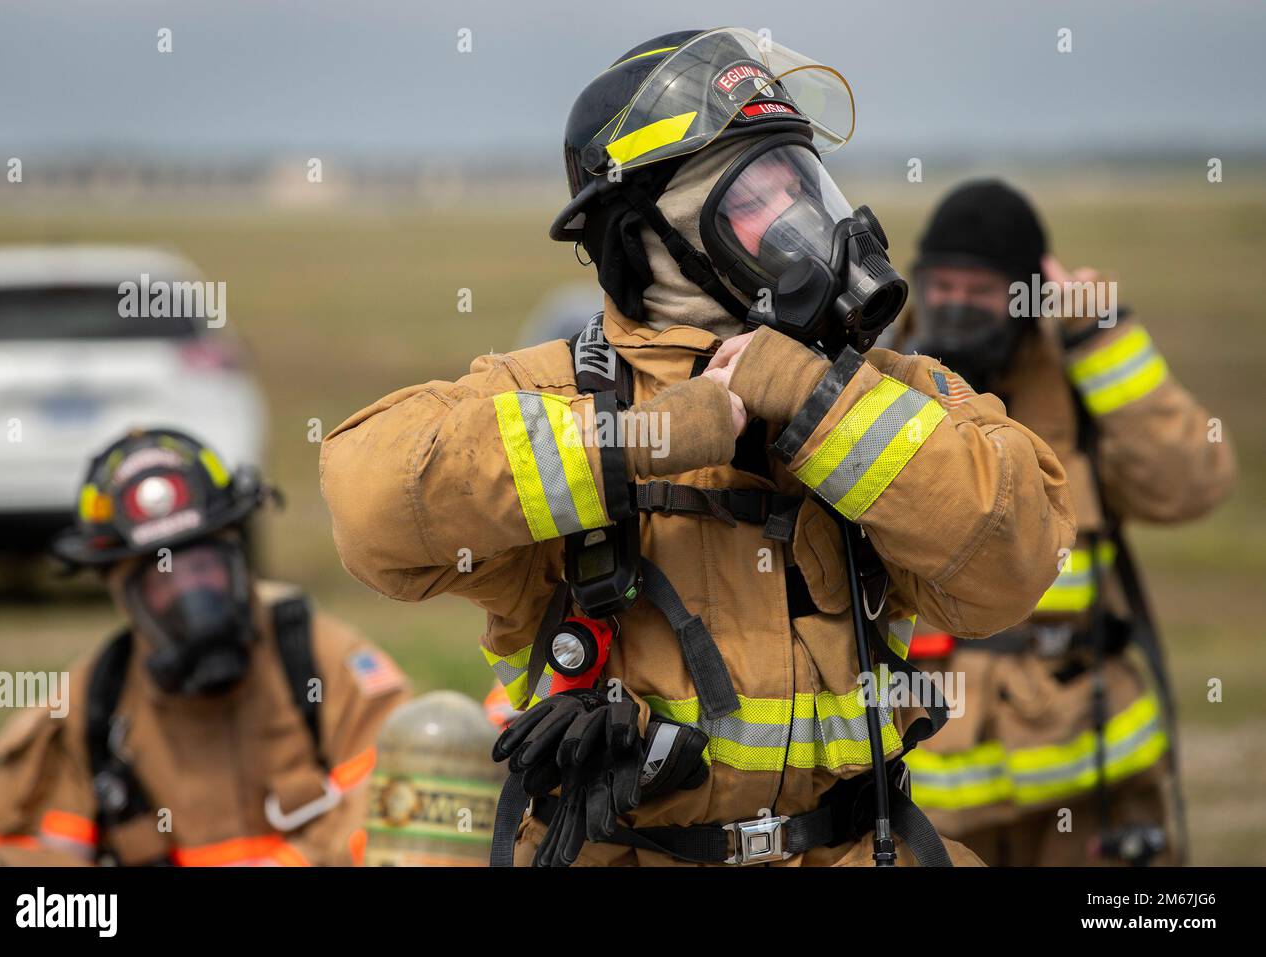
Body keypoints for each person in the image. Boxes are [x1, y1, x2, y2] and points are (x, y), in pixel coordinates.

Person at [320, 28, 1075, 867]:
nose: (804, 223)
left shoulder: (881, 389)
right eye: (760, 196)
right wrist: (636, 442)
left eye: (805, 186)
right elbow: (368, 501)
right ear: (651, 231)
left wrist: (821, 404)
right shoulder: (554, 393)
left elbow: (1018, 557)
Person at [895, 180, 1236, 866]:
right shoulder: (884, 381)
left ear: (1028, 296)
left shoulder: (1083, 381)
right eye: (941, 283)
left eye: (981, 288)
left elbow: (1192, 484)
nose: (955, 305)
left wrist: (1103, 339)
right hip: (936, 801)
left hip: (1095, 791)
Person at [0, 428, 407, 866]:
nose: (191, 595)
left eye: (203, 568)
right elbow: (32, 862)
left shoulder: (320, 659)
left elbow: (402, 803)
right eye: (161, 579)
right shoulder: (86, 707)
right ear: (121, 593)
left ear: (238, 558)